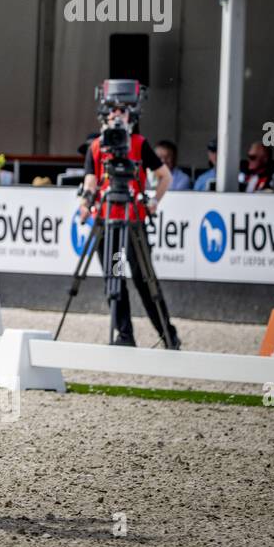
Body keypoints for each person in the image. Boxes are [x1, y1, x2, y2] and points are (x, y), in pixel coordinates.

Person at [77, 82, 179, 348]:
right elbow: (90, 180)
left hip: (132, 217)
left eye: (122, 110)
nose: (116, 115)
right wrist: (86, 203)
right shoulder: (97, 147)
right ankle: (124, 335)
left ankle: (168, 334)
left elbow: (164, 176)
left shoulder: (139, 143)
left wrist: (154, 200)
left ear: (131, 114)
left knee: (144, 279)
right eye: (112, 110)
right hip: (107, 216)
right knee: (114, 278)